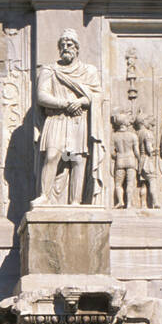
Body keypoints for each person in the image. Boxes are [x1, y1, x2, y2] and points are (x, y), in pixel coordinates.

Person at [33, 28, 101, 205]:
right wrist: (65, 104)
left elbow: (97, 95)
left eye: (69, 44)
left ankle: (75, 202)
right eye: (62, 45)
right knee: (52, 156)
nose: (65, 47)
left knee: (77, 160)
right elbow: (41, 96)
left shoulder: (88, 71)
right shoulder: (50, 70)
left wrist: (80, 102)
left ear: (77, 48)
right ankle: (44, 196)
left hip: (78, 121)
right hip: (56, 119)